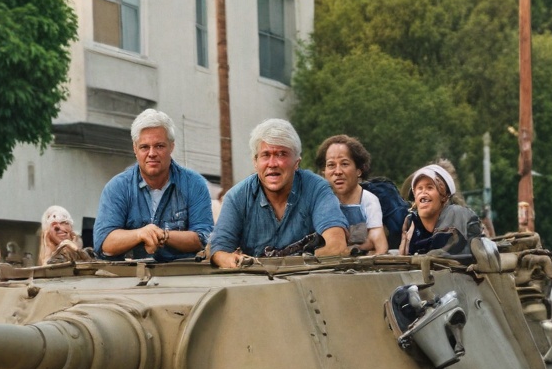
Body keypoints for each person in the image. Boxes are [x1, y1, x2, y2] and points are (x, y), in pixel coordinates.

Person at [207, 120, 349, 266]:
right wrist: (233, 260)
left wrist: (293, 263)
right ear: (255, 162)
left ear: (297, 162)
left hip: (307, 281)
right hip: (254, 282)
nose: (273, 163)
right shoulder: (236, 197)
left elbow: (336, 245)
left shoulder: (317, 189)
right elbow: (218, 251)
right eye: (266, 155)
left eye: (282, 154)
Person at [92, 109, 216, 262]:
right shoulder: (117, 187)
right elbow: (103, 243)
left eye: (159, 146)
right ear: (135, 149)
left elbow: (203, 237)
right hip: (126, 278)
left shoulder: (194, 184)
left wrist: (163, 235)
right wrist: (140, 234)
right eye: (144, 147)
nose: (152, 153)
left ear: (171, 147)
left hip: (183, 276)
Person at [315, 134, 390, 254]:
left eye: (344, 164)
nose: (338, 172)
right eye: (331, 165)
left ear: (359, 170)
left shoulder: (368, 200)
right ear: (324, 172)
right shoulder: (318, 201)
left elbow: (379, 243)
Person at [397, 162, 485, 257]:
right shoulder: (411, 222)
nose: (423, 192)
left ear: (444, 196)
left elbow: (448, 253)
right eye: (419, 188)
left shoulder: (457, 214)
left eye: (429, 187)